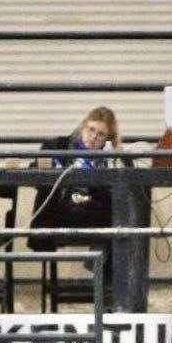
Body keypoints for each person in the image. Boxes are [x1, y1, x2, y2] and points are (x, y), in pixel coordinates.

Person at [30, 106, 133, 283]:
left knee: (119, 220)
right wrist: (53, 170)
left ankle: (108, 289)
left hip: (94, 216)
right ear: (83, 126)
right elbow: (33, 174)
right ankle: (103, 275)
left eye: (100, 134)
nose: (93, 137)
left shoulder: (111, 157)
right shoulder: (57, 146)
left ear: (108, 140)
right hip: (59, 215)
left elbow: (119, 195)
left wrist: (97, 177)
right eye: (91, 130)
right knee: (111, 225)